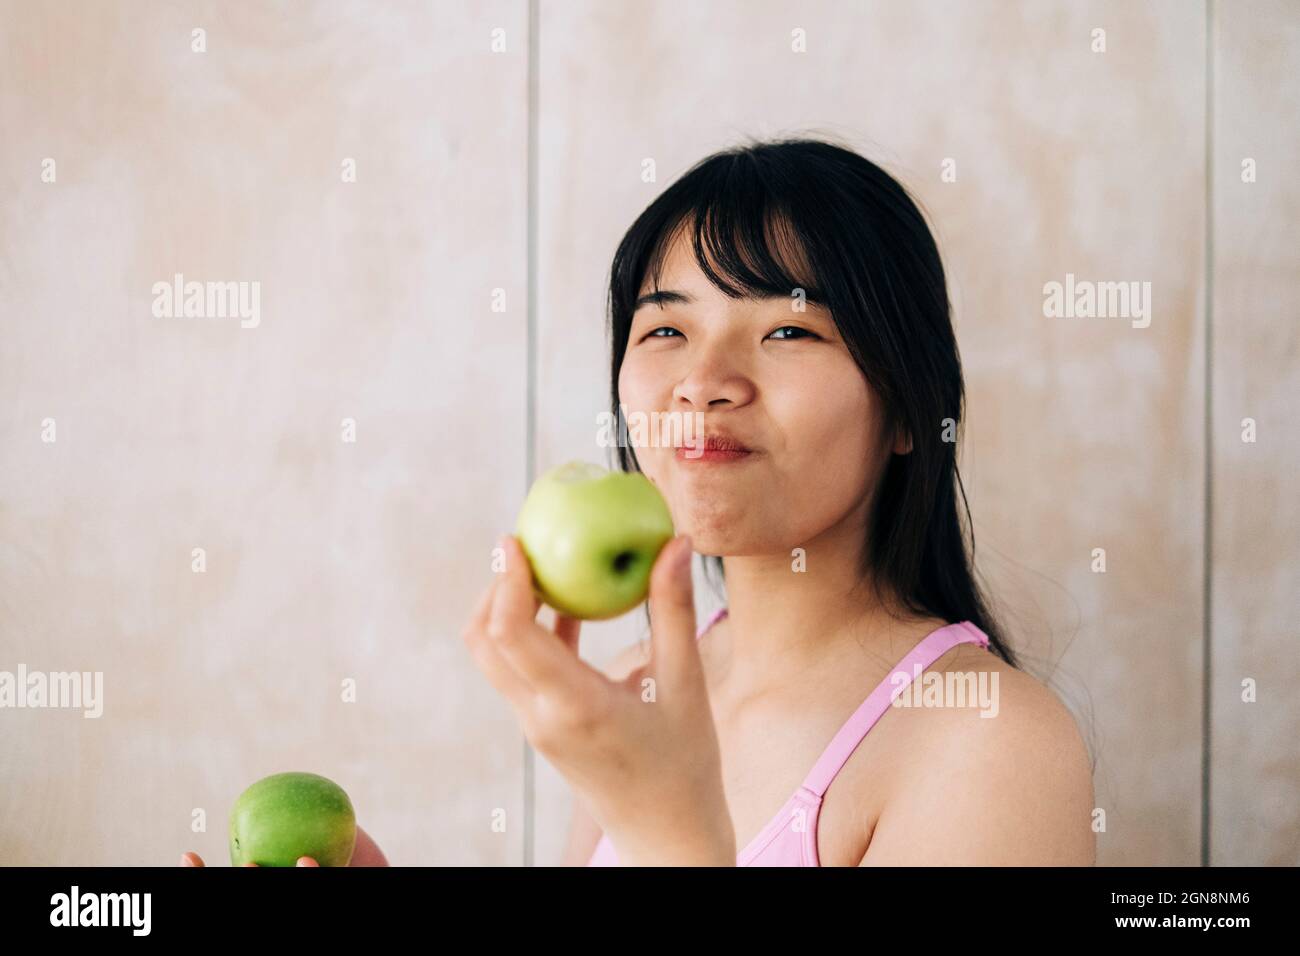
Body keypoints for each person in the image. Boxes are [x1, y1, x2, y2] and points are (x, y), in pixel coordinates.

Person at [464, 136, 1095, 866]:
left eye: (788, 329)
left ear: (907, 412)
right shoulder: (634, 694)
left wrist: (667, 830)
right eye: (667, 328)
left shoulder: (992, 739)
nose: (703, 382)